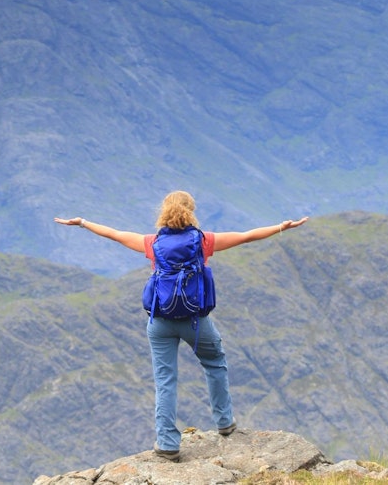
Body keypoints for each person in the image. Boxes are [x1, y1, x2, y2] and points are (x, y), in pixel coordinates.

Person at [55, 191, 308, 462]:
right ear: (191, 211)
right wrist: (281, 226)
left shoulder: (152, 243)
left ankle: (167, 444)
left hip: (160, 322)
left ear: (163, 212)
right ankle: (224, 422)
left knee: (165, 379)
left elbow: (115, 234)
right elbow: (246, 236)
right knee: (215, 363)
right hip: (195, 322)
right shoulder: (204, 241)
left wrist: (83, 223)